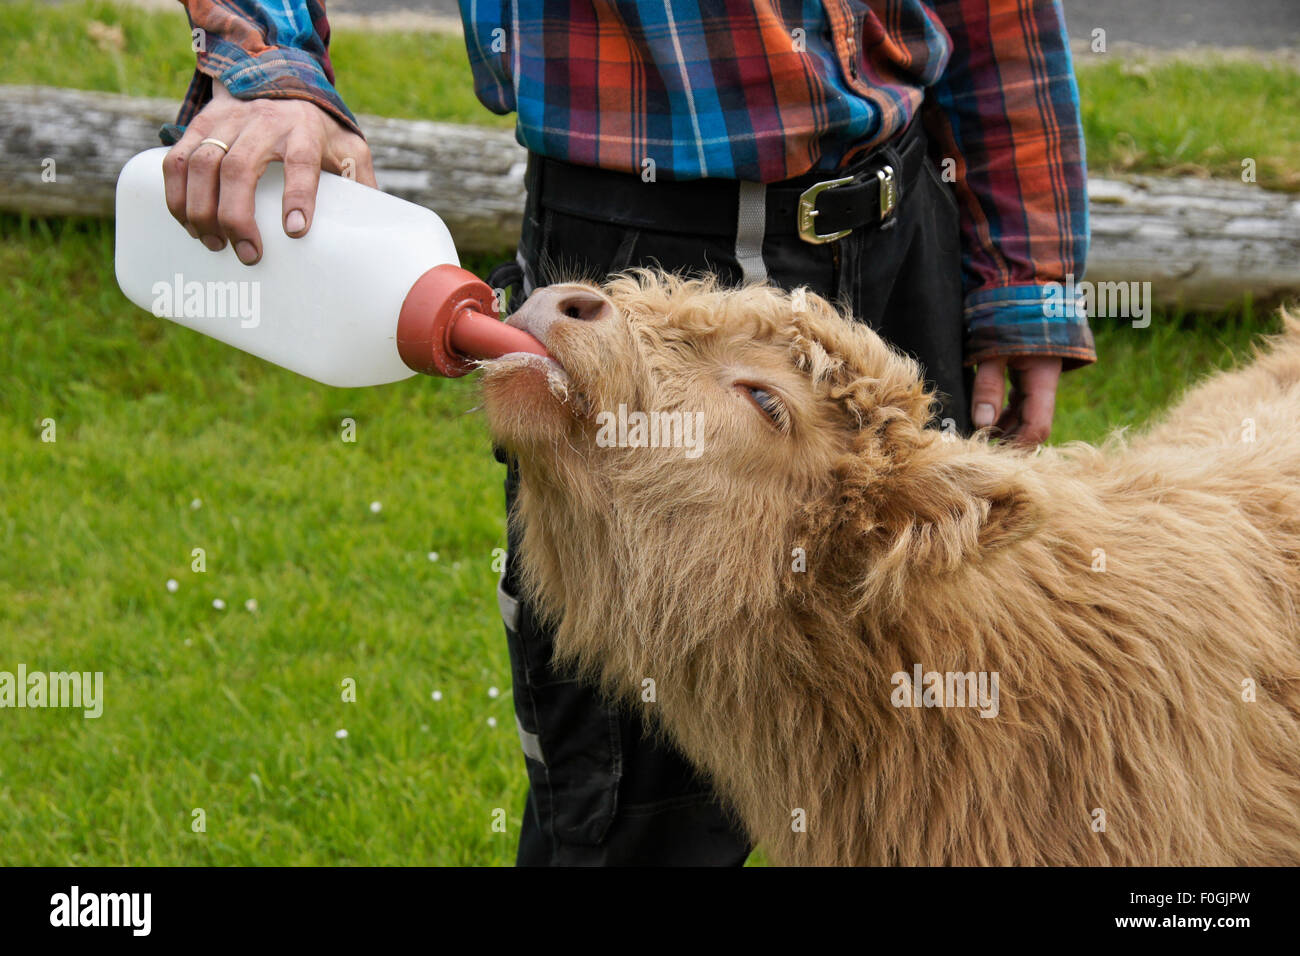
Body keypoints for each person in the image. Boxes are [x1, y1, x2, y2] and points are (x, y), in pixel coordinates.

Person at [161, 0, 1095, 866]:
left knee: (929, 768)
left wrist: (1026, 270)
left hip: (904, 214)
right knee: (636, 820)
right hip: (653, 232)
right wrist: (270, 60)